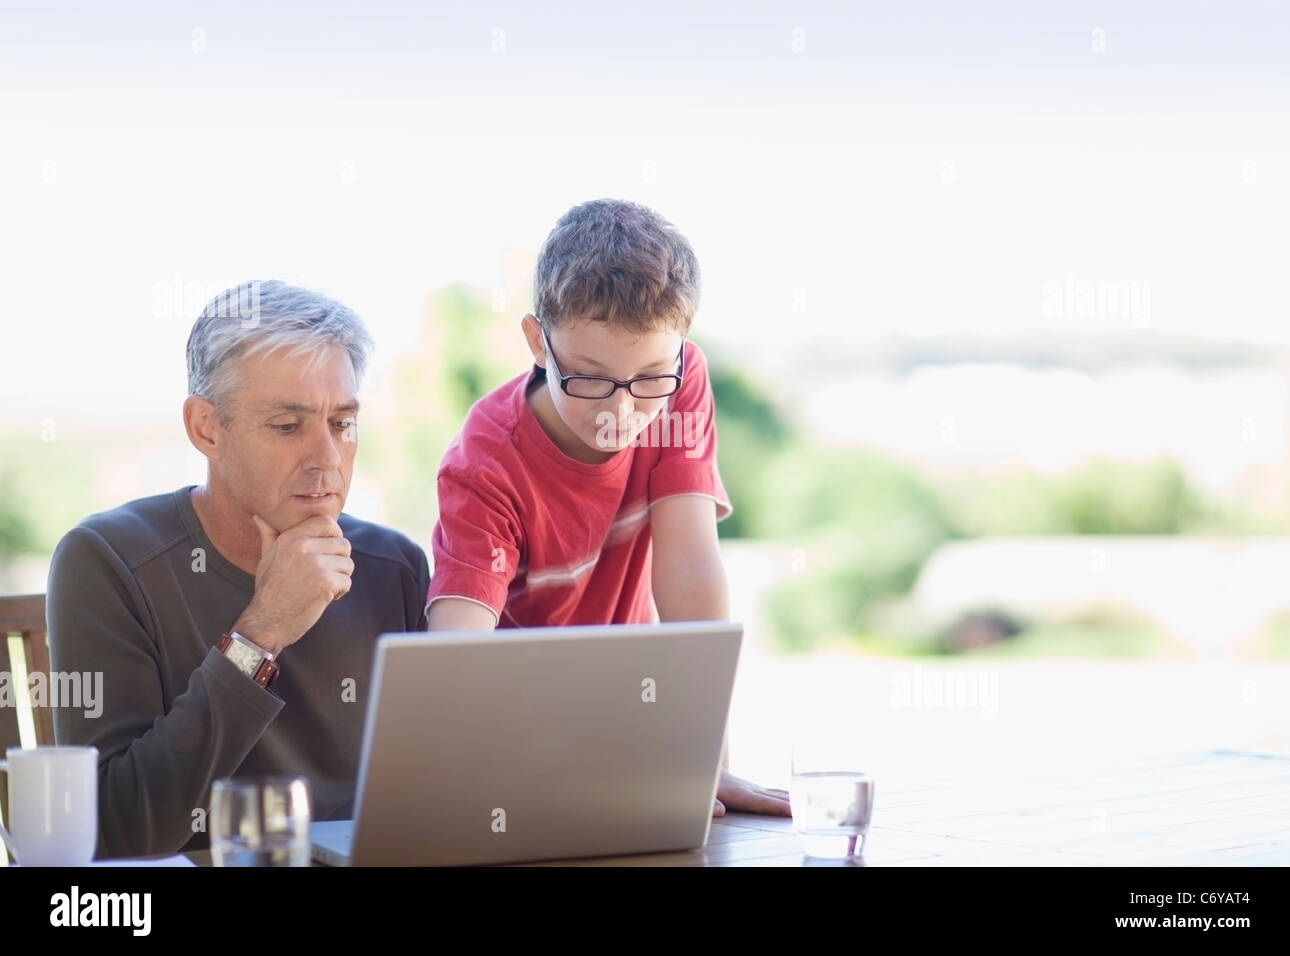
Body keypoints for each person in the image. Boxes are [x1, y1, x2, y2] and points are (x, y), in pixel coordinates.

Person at [425, 199, 791, 817]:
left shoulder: (680, 384)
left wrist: (706, 760)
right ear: (538, 342)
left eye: (650, 378)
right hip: (519, 754)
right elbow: (457, 665)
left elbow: (690, 573)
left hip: (636, 729)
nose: (621, 411)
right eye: (590, 378)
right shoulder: (484, 463)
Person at [48, 280, 429, 858]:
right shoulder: (107, 562)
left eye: (342, 423)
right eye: (287, 425)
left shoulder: (393, 566)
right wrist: (260, 635)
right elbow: (116, 831)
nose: (327, 458)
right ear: (206, 428)